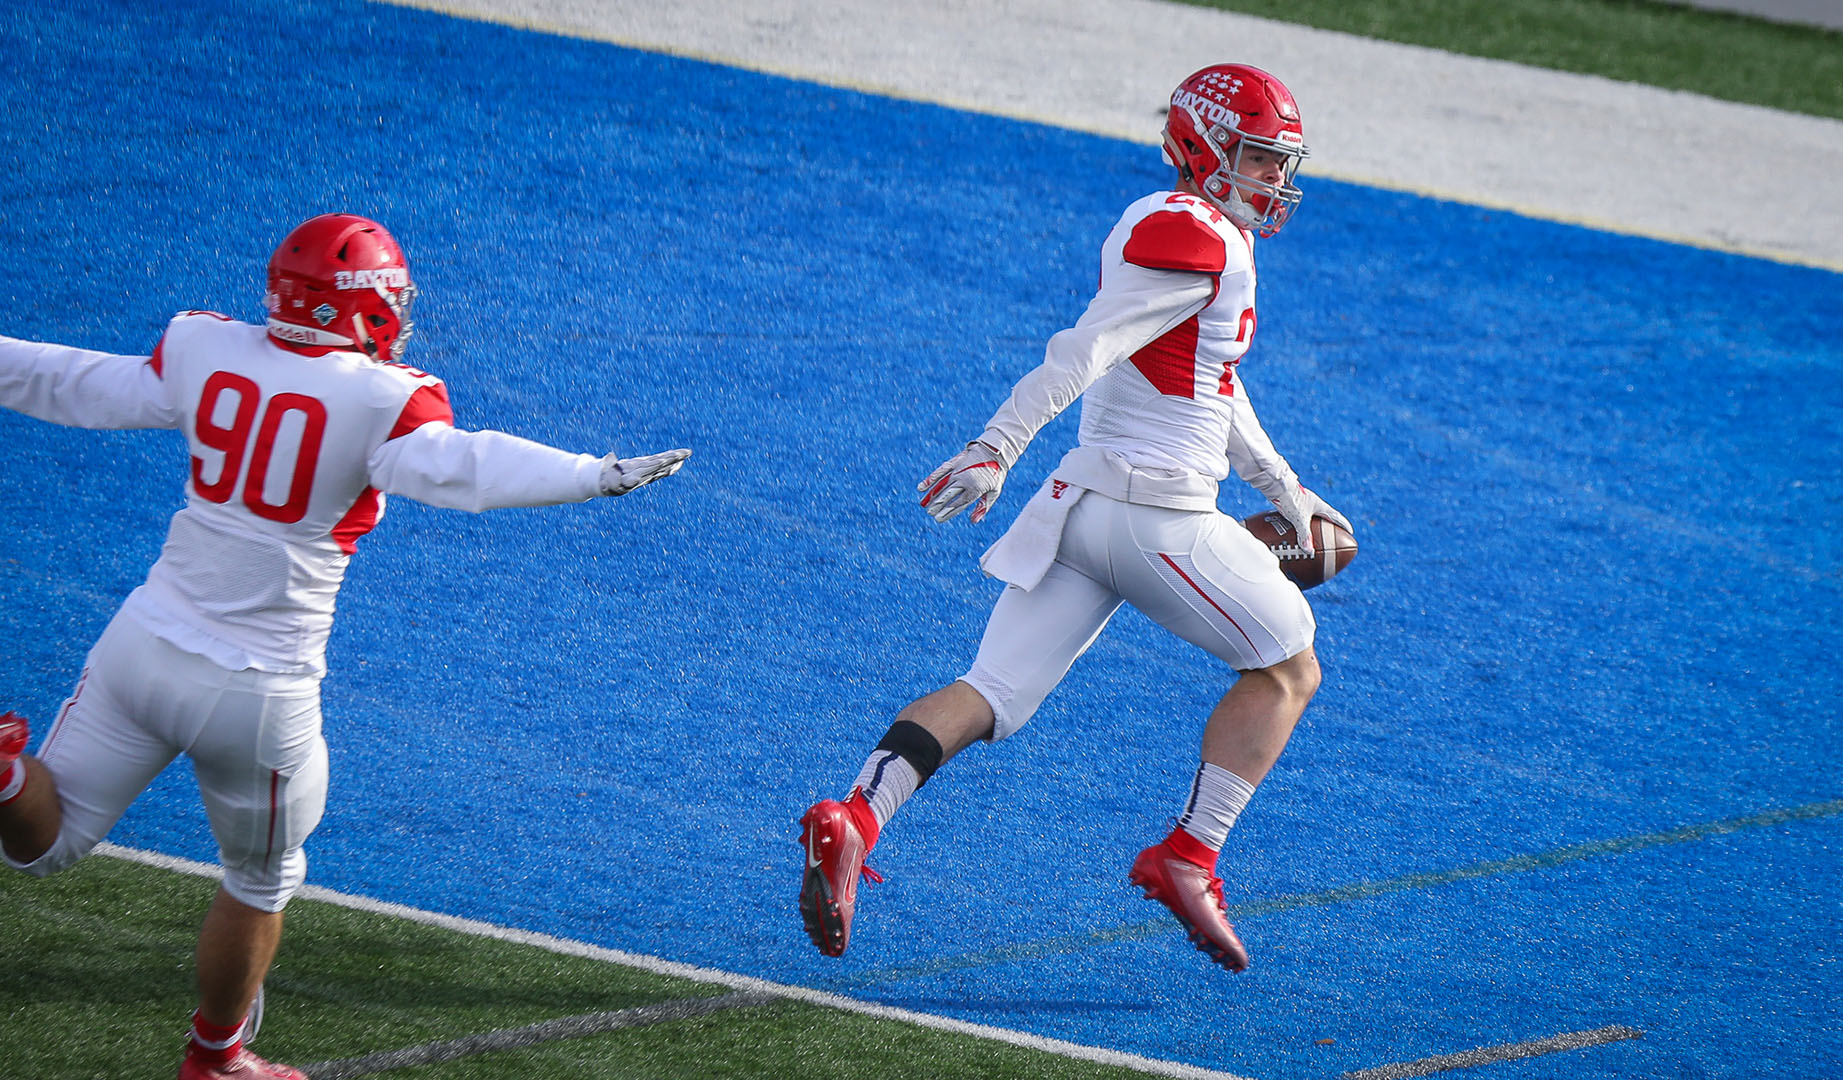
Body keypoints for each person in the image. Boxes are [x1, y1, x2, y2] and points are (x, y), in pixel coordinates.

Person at [0, 213, 690, 1079]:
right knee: (260, 880)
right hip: (258, 689)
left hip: (140, 643)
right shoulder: (380, 399)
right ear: (359, 309)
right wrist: (591, 473)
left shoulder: (206, 349)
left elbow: (68, 379)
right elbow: (467, 466)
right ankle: (216, 1058)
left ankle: (1, 771)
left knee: (39, 841)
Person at [796, 64, 1350, 974]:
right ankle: (1190, 854)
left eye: (1276, 162)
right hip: (1154, 517)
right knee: (1288, 669)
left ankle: (855, 817)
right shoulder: (1198, 236)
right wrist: (995, 444)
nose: (1270, 180)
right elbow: (1086, 349)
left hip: (1081, 509)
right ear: (1203, 144)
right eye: (1254, 157)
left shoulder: (1179, 229)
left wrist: (1289, 491)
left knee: (989, 693)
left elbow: (1214, 386)